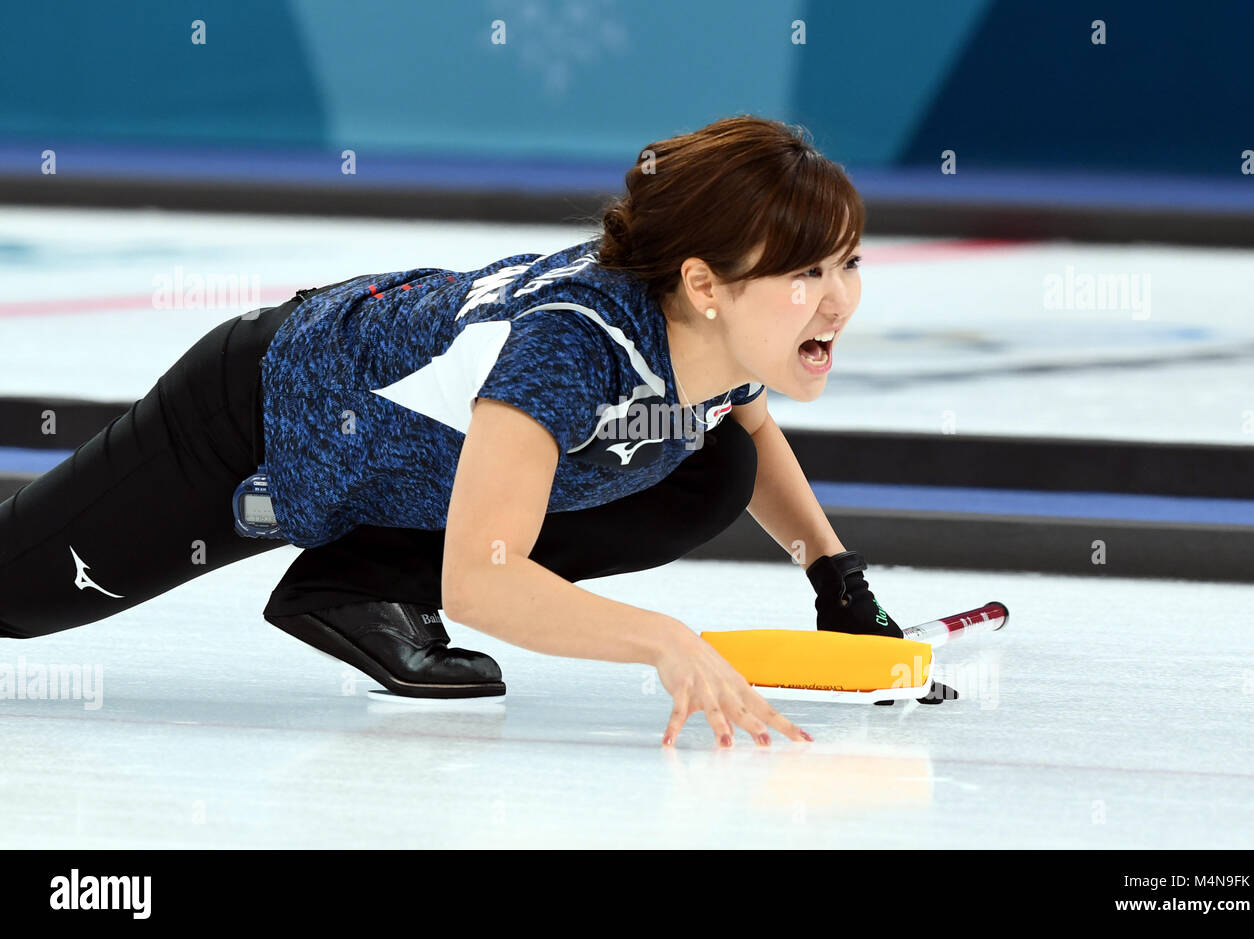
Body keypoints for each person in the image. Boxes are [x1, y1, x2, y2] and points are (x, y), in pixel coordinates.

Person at [0, 115, 927, 748]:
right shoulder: (569, 348)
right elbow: (481, 581)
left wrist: (833, 576)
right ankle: (359, 573)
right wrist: (664, 640)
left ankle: (355, 583)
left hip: (382, 464)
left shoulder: (717, 341)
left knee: (708, 469)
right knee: (15, 597)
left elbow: (749, 425)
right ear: (704, 285)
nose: (838, 299)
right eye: (804, 273)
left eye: (847, 260)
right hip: (254, 424)